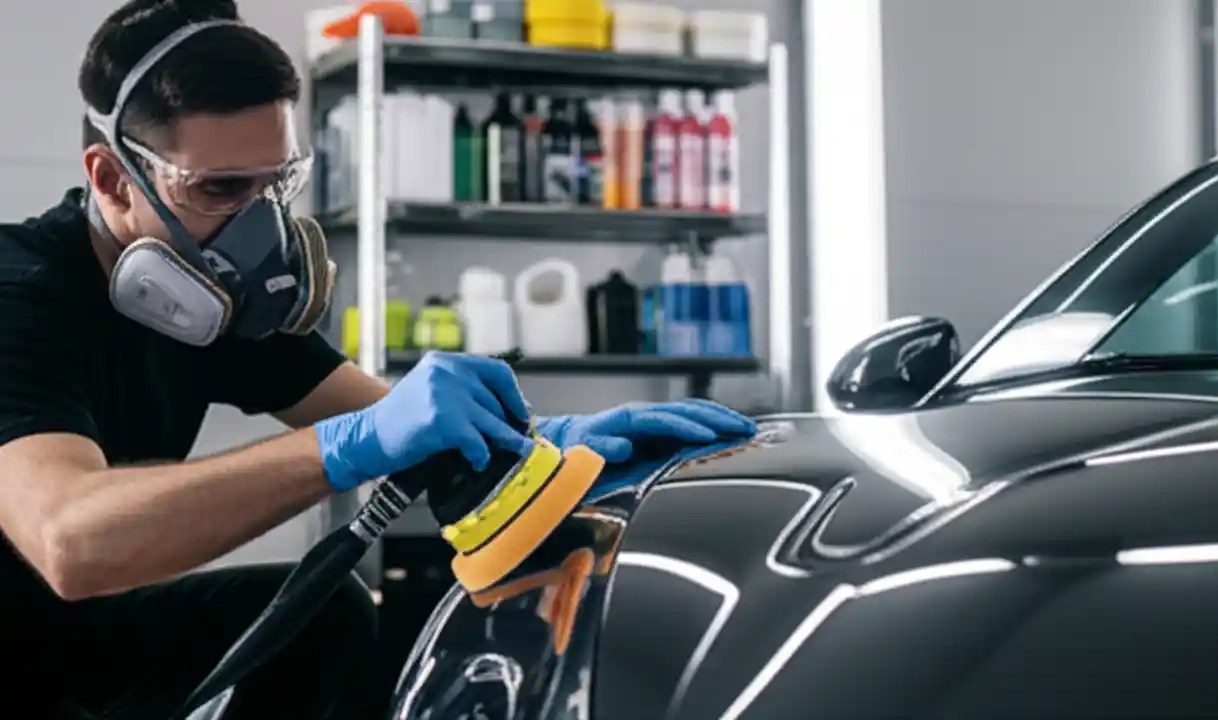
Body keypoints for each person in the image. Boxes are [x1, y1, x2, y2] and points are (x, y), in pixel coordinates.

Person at [0, 1, 757, 718]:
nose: (259, 226)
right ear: (110, 178)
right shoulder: (19, 292)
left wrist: (551, 442)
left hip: (75, 646)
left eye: (276, 184)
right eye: (222, 189)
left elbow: (389, 414)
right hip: (32, 644)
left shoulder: (214, 295)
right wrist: (344, 450)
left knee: (327, 618)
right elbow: (72, 542)